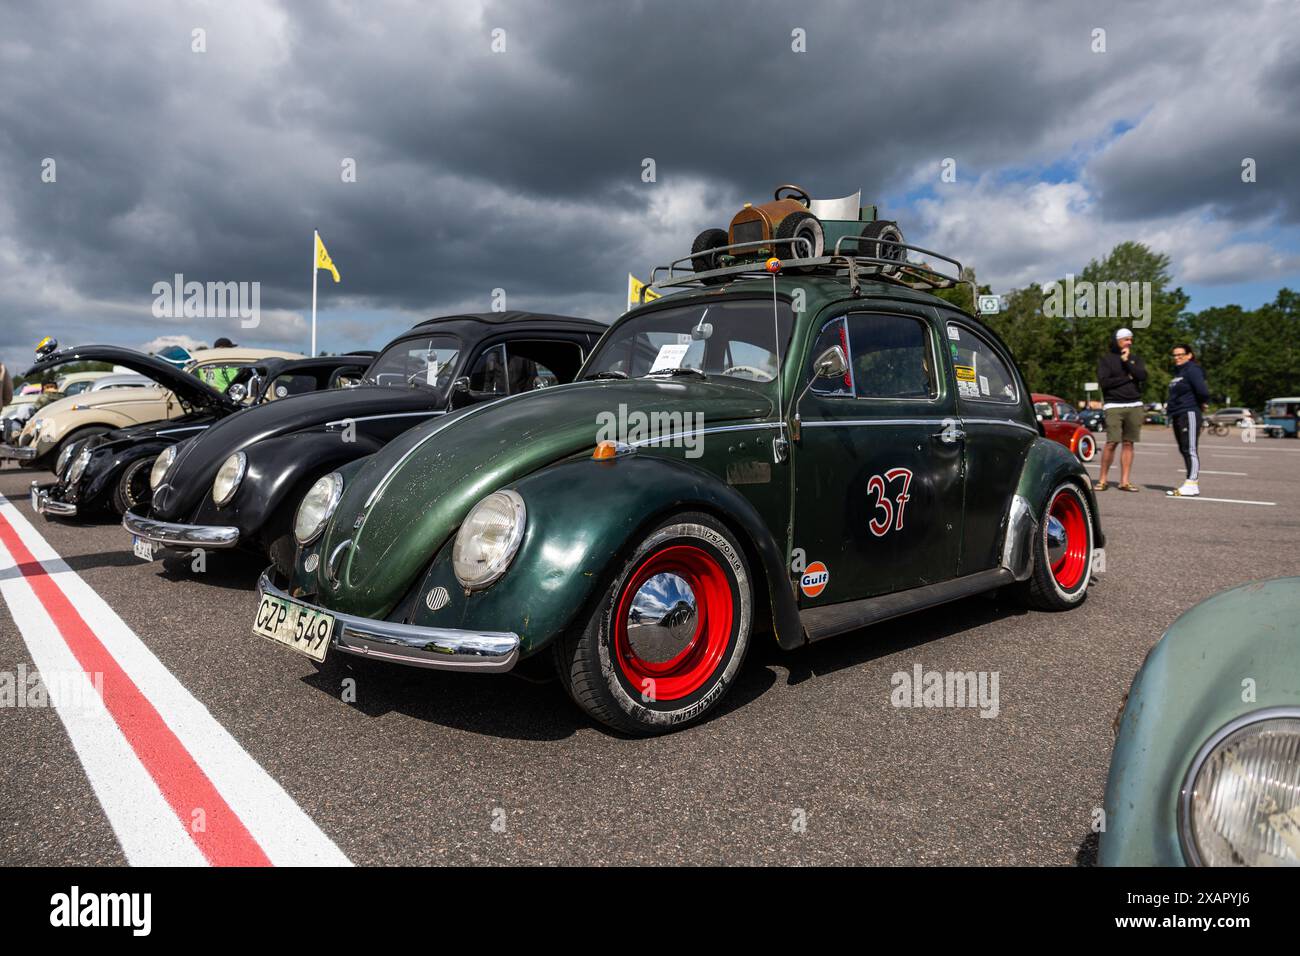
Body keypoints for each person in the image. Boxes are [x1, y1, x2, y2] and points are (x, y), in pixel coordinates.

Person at [1094, 327, 1147, 492]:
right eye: (1126, 339)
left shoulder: (1134, 359)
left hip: (1134, 405)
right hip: (1113, 405)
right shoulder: (1106, 360)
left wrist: (1127, 363)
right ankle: (1102, 480)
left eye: (1131, 339)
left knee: (1128, 443)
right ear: (1117, 341)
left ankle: (1124, 481)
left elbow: (1142, 376)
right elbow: (1104, 383)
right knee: (1111, 443)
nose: (1129, 342)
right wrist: (1126, 378)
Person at [1165, 343, 1210, 497]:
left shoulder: (1192, 369)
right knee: (1184, 448)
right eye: (1175, 355)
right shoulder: (1178, 372)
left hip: (1189, 412)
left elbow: (1202, 390)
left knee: (1190, 449)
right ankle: (1190, 482)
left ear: (1189, 355)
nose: (1177, 357)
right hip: (1178, 413)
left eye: (1180, 354)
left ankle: (1192, 483)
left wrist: (1203, 402)